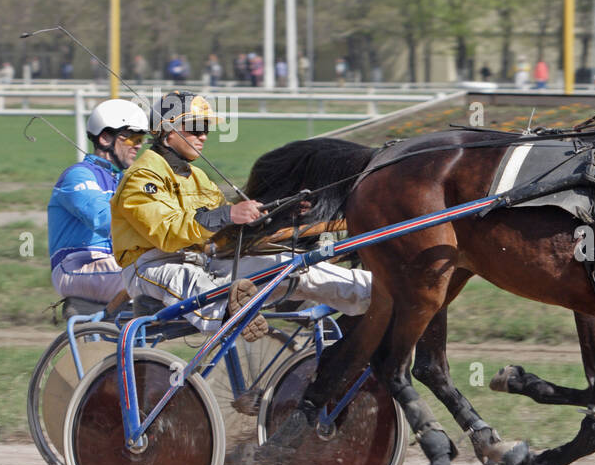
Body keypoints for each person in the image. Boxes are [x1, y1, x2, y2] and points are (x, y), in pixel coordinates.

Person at [111, 91, 372, 338]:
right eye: (195, 128)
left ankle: (372, 291)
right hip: (150, 266)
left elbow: (226, 231)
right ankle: (230, 313)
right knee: (186, 278)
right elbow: (166, 234)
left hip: (206, 259)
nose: (203, 136)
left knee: (288, 264)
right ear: (167, 131)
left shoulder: (199, 178)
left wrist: (277, 213)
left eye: (206, 129)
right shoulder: (141, 176)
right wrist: (229, 214)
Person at [47, 99, 147, 304]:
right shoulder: (78, 176)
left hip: (114, 263)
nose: (138, 145)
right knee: (153, 277)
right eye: (132, 138)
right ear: (104, 138)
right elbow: (103, 220)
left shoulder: (124, 180)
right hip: (76, 266)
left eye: (141, 139)